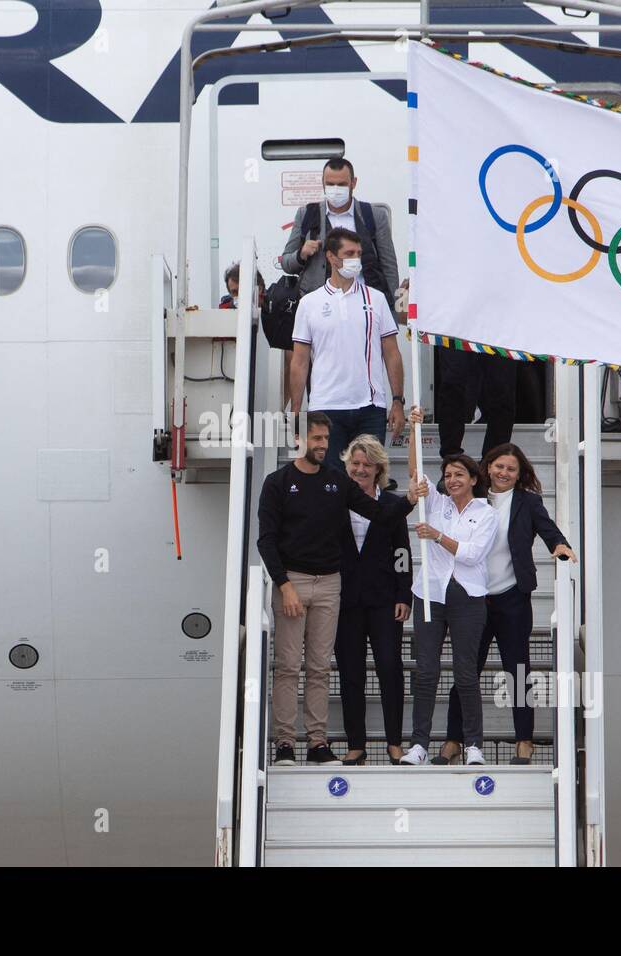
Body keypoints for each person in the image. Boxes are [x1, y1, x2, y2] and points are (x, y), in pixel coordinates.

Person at [257, 412, 425, 766]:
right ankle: (286, 744)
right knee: (289, 666)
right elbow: (267, 540)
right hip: (296, 584)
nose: (321, 445)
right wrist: (283, 584)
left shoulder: (337, 482)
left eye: (324, 439)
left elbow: (380, 514)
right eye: (315, 439)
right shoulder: (277, 482)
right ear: (299, 439)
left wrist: (409, 501)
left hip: (334, 587)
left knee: (320, 668)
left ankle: (318, 744)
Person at [440, 443, 577, 765]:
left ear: (519, 475)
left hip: (512, 597)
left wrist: (561, 546)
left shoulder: (528, 502)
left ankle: (524, 741)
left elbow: (549, 531)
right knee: (466, 671)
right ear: (487, 468)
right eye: (498, 467)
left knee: (517, 670)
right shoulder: (470, 498)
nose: (503, 473)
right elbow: (440, 491)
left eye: (511, 469)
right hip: (472, 598)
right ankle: (453, 740)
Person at [400, 405, 497, 767]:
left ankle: (473, 745)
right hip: (429, 592)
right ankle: (419, 745)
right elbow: (414, 471)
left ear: (473, 478)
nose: (452, 479)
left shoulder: (486, 513)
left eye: (459, 474)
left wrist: (437, 536)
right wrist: (413, 429)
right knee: (426, 671)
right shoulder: (436, 503)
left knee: (465, 672)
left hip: (469, 597)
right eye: (448, 474)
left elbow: (471, 555)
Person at [290, 227, 406, 478]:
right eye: (349, 253)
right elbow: (299, 362)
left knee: (370, 482)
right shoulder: (309, 303)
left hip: (370, 408)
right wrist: (297, 414)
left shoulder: (376, 299)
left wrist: (398, 401)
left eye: (359, 253)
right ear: (331, 257)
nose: (356, 259)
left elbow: (392, 353)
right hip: (326, 408)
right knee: (331, 485)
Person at [335, 435, 412, 766]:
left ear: (379, 468)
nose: (360, 469)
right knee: (351, 673)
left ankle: (395, 743)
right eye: (355, 463)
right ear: (347, 465)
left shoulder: (393, 503)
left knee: (390, 669)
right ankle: (357, 745)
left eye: (367, 464)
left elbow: (401, 552)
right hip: (344, 601)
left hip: (384, 601)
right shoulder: (334, 499)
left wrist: (403, 593)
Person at [280, 157, 400, 313]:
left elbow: (389, 266)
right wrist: (301, 254)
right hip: (320, 310)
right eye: (330, 184)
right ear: (322, 183)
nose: (335, 189)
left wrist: (391, 310)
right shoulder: (307, 214)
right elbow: (286, 262)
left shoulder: (374, 216)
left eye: (341, 184)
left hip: (365, 307)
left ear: (353, 183)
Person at [436, 346, 517, 460]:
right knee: (452, 382)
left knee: (502, 388)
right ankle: (452, 463)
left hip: (500, 332)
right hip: (458, 331)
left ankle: (491, 464)